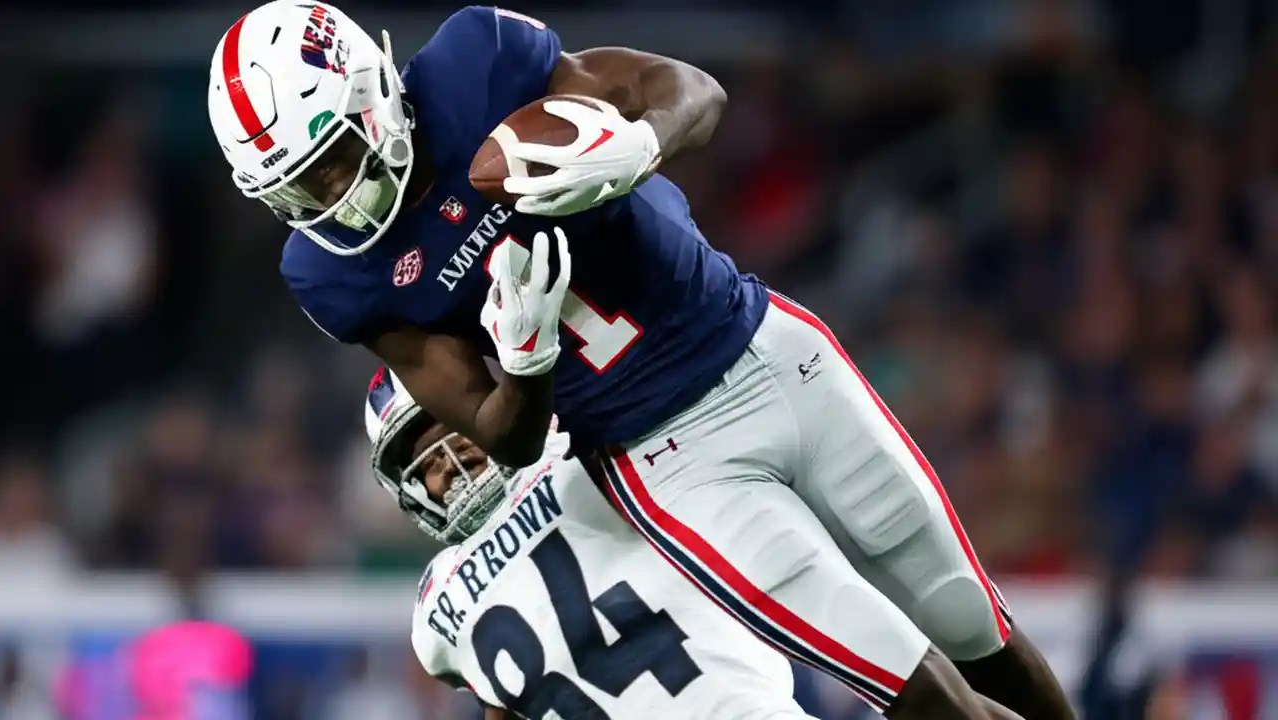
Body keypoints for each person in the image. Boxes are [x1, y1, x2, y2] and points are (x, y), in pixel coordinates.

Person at [208, 4, 1073, 716]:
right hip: (666, 463)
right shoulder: (328, 273)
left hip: (767, 346)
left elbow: (689, 90)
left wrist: (640, 145)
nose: (333, 198)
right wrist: (526, 354)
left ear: (371, 90)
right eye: (298, 189)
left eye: (332, 164)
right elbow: (500, 434)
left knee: (978, 629)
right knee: (923, 696)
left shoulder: (479, 61)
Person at [364, 367, 816, 719]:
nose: (450, 458)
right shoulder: (577, 450)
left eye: (453, 427)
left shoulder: (439, 605)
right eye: (427, 455)